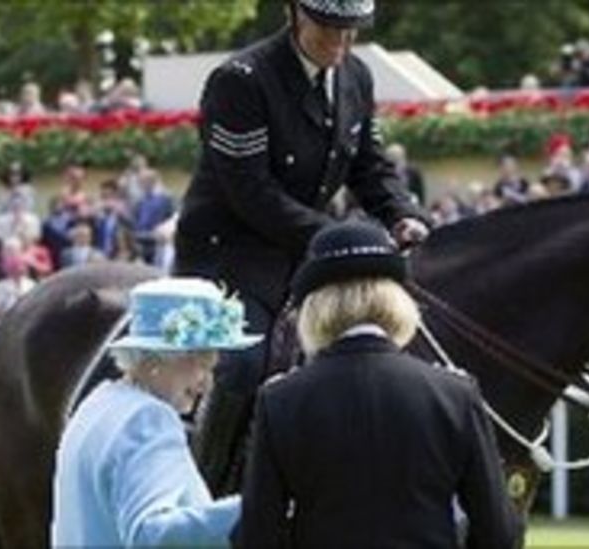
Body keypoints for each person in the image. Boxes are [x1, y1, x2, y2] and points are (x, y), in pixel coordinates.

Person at [174, 0, 431, 494]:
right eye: (328, 28)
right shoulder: (241, 79)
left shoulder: (355, 76)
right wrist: (335, 238)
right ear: (294, 13)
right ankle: (203, 487)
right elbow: (250, 191)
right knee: (243, 363)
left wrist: (404, 215)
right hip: (231, 254)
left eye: (351, 30)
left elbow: (370, 165)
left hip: (306, 256)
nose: (341, 42)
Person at [236, 220, 522, 548]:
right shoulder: (454, 393)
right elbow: (499, 532)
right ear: (396, 299)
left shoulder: (280, 399)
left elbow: (258, 535)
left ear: (314, 307)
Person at [52, 277, 262, 547]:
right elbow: (151, 535)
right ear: (157, 358)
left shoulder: (97, 402)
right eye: (201, 363)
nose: (207, 385)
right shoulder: (147, 419)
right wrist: (257, 507)